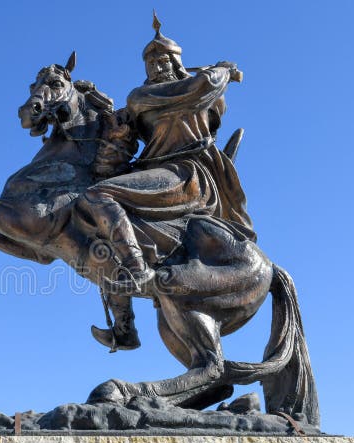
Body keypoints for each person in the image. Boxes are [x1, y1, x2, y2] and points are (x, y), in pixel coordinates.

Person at [80, 12, 255, 351]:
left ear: (177, 61)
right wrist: (223, 70)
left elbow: (204, 95)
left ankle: (137, 271)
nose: (157, 65)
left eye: (164, 58)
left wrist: (216, 77)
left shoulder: (203, 92)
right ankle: (124, 327)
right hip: (156, 173)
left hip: (188, 176)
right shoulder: (141, 98)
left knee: (100, 196)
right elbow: (194, 89)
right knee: (101, 231)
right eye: (151, 60)